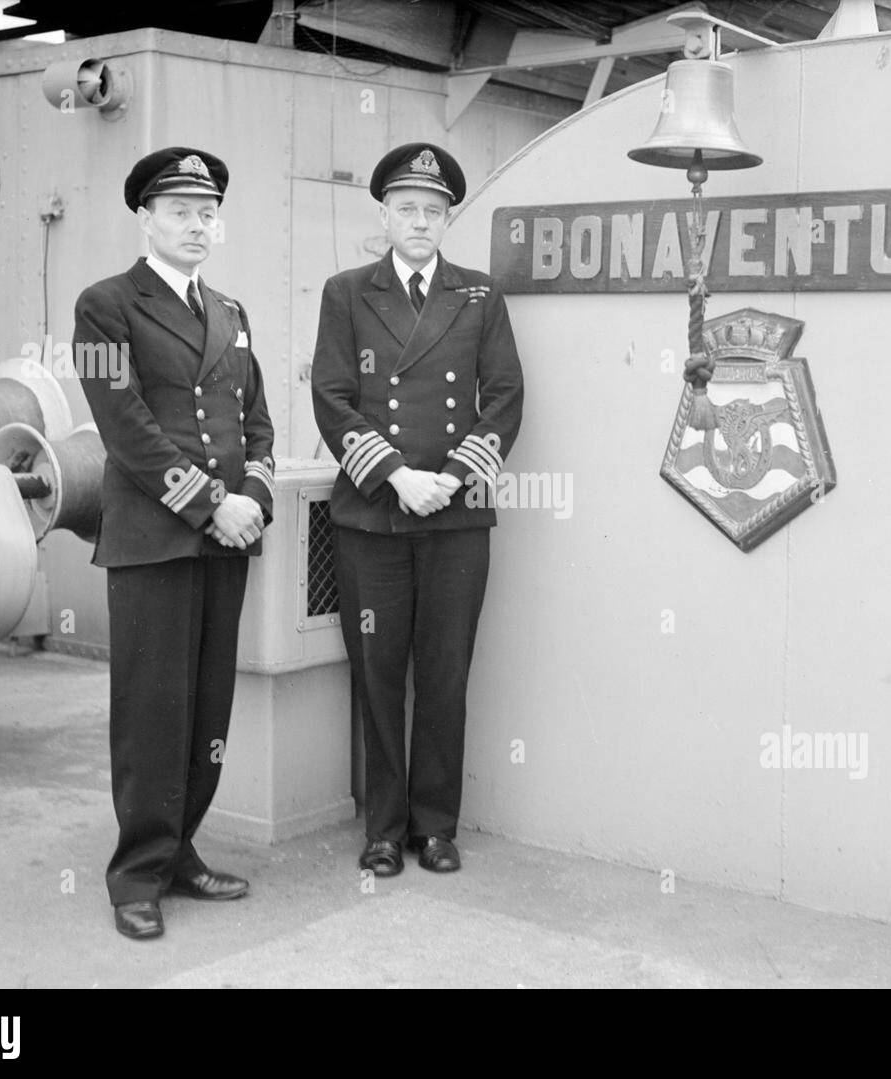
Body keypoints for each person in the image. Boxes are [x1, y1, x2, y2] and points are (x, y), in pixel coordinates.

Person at [72, 147, 276, 939]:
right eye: (179, 210)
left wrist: (253, 496)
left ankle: (180, 848)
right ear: (145, 218)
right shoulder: (104, 305)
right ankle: (135, 874)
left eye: (206, 212)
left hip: (226, 542)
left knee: (205, 710)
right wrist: (211, 504)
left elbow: (256, 419)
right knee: (152, 712)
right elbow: (125, 428)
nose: (196, 224)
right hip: (156, 539)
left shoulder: (232, 312)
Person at [311, 142, 523, 876]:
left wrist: (455, 477)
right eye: (408, 209)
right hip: (374, 516)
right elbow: (332, 398)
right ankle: (382, 826)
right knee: (376, 671)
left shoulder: (478, 296)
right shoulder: (346, 292)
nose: (421, 221)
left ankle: (435, 825)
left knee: (445, 672)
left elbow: (504, 397)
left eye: (434, 211)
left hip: (456, 519)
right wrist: (398, 475)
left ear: (447, 218)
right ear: (384, 215)